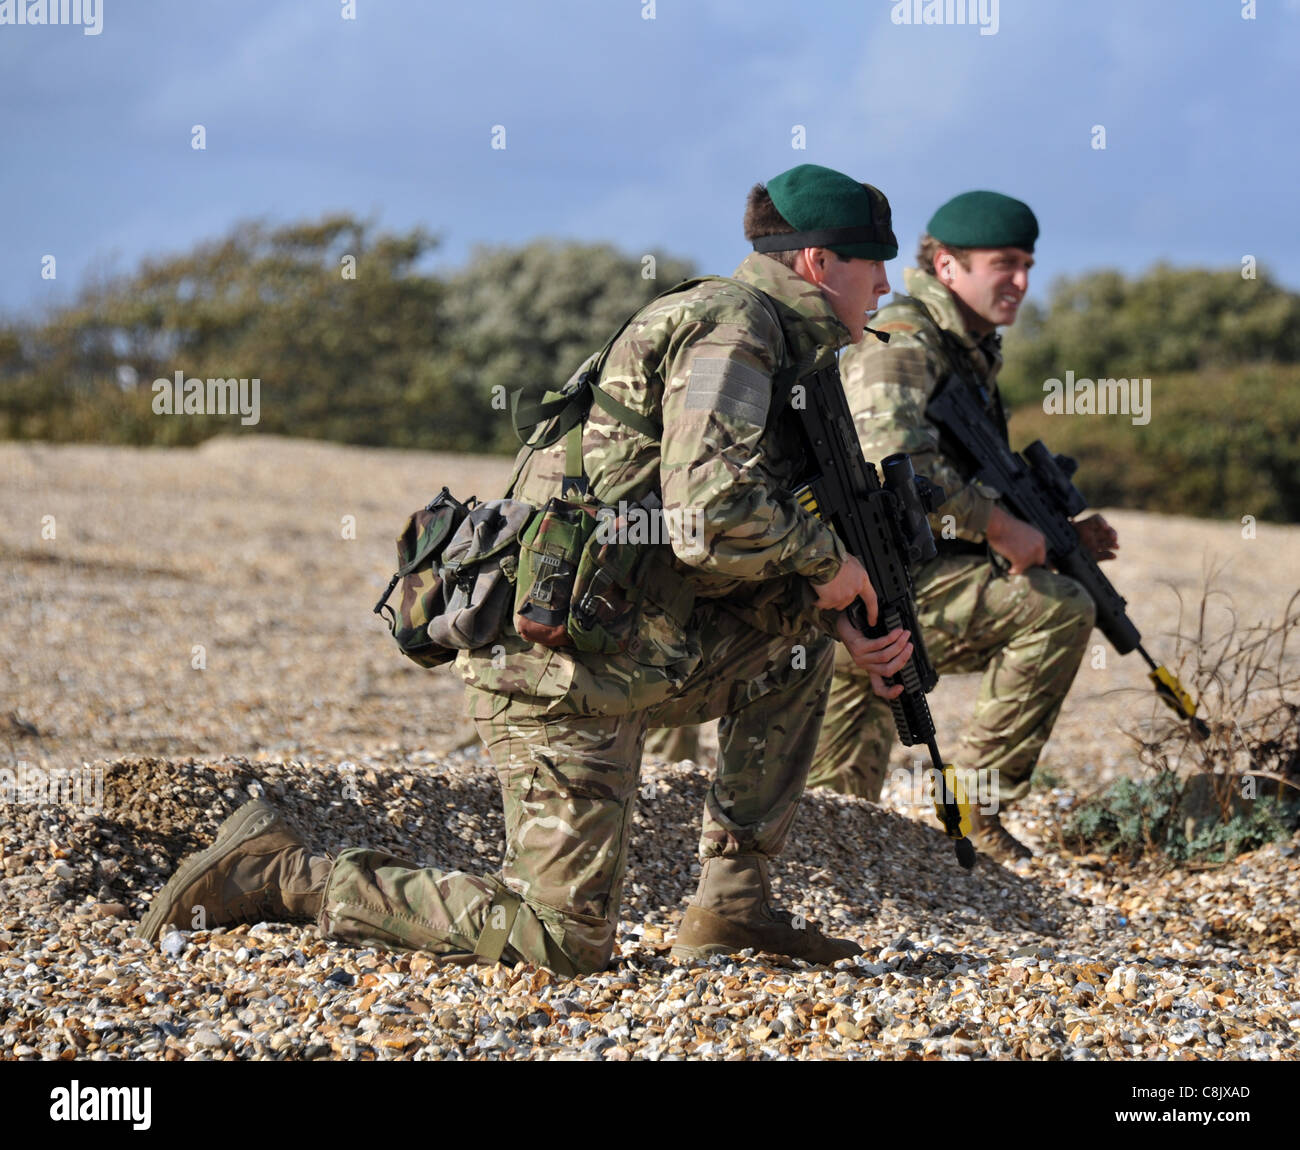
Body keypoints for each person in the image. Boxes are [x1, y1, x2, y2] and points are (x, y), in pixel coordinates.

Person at [138, 163, 914, 974]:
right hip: (551, 667)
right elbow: (708, 513)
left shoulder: (782, 349)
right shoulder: (734, 326)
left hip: (626, 648)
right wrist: (828, 564)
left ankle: (733, 908)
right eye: (875, 261)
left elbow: (712, 543)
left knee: (797, 653)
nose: (888, 285)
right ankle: (282, 872)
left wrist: (828, 612)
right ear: (819, 263)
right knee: (560, 944)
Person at [807, 190, 1117, 862]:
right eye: (1003, 263)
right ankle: (969, 813)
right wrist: (1000, 528)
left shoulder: (963, 349)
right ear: (947, 266)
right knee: (829, 818)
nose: (1022, 282)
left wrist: (1052, 528)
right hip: (860, 584)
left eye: (1028, 264)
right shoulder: (905, 342)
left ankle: (953, 830)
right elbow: (895, 464)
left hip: (891, 581)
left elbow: (958, 472)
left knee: (837, 819)